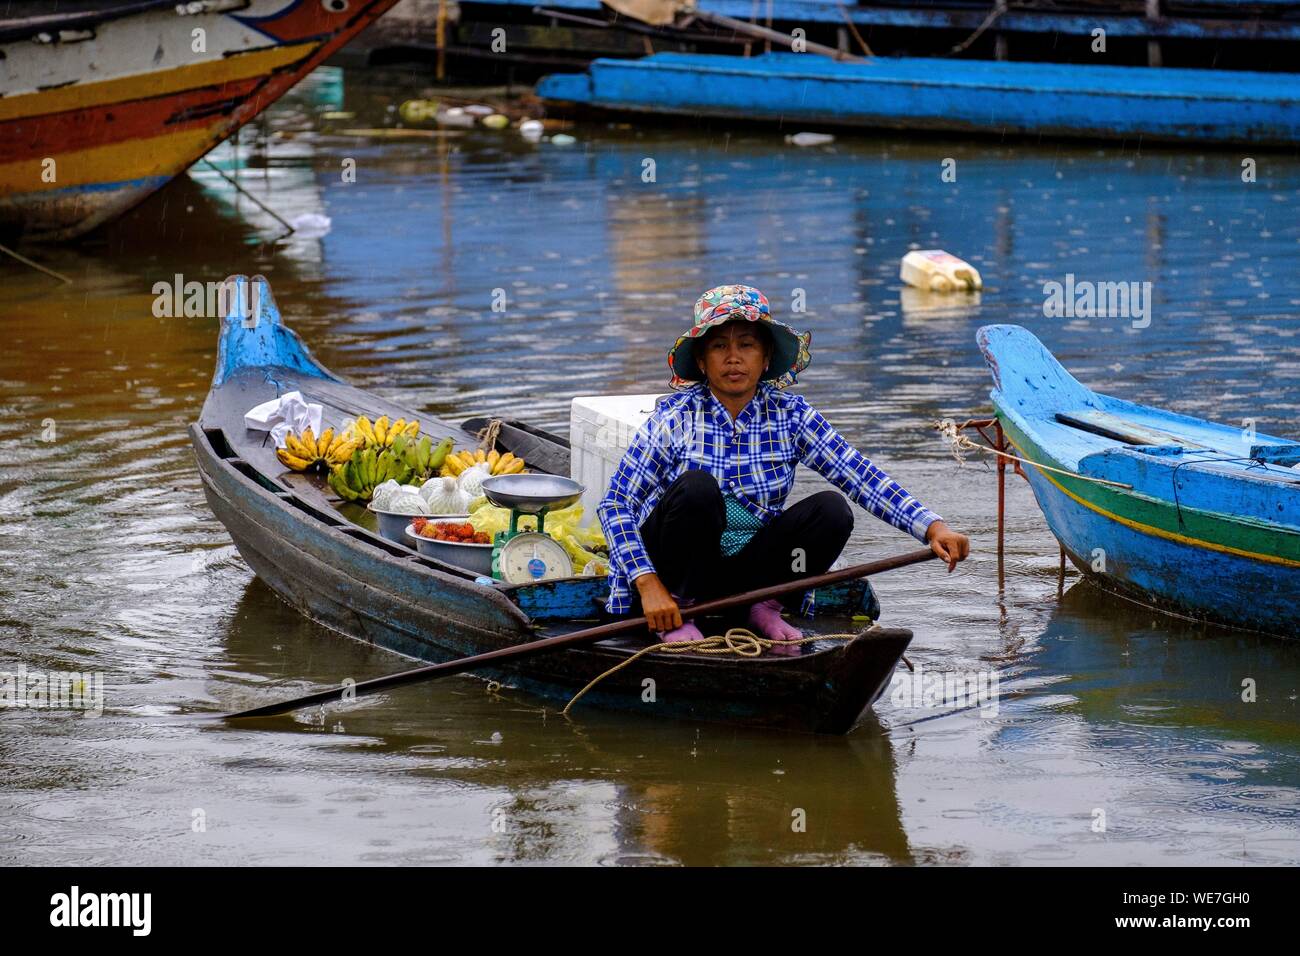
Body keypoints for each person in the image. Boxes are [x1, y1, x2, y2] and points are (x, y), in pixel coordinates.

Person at [597, 284, 969, 647]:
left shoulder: (791, 415)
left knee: (831, 510)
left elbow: (860, 476)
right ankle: (679, 611)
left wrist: (933, 528)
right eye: (719, 346)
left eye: (746, 345)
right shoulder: (674, 418)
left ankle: (765, 605)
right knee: (697, 488)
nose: (733, 358)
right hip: (675, 574)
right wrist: (649, 585)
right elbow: (615, 504)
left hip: (747, 574)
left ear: (765, 356)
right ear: (701, 361)